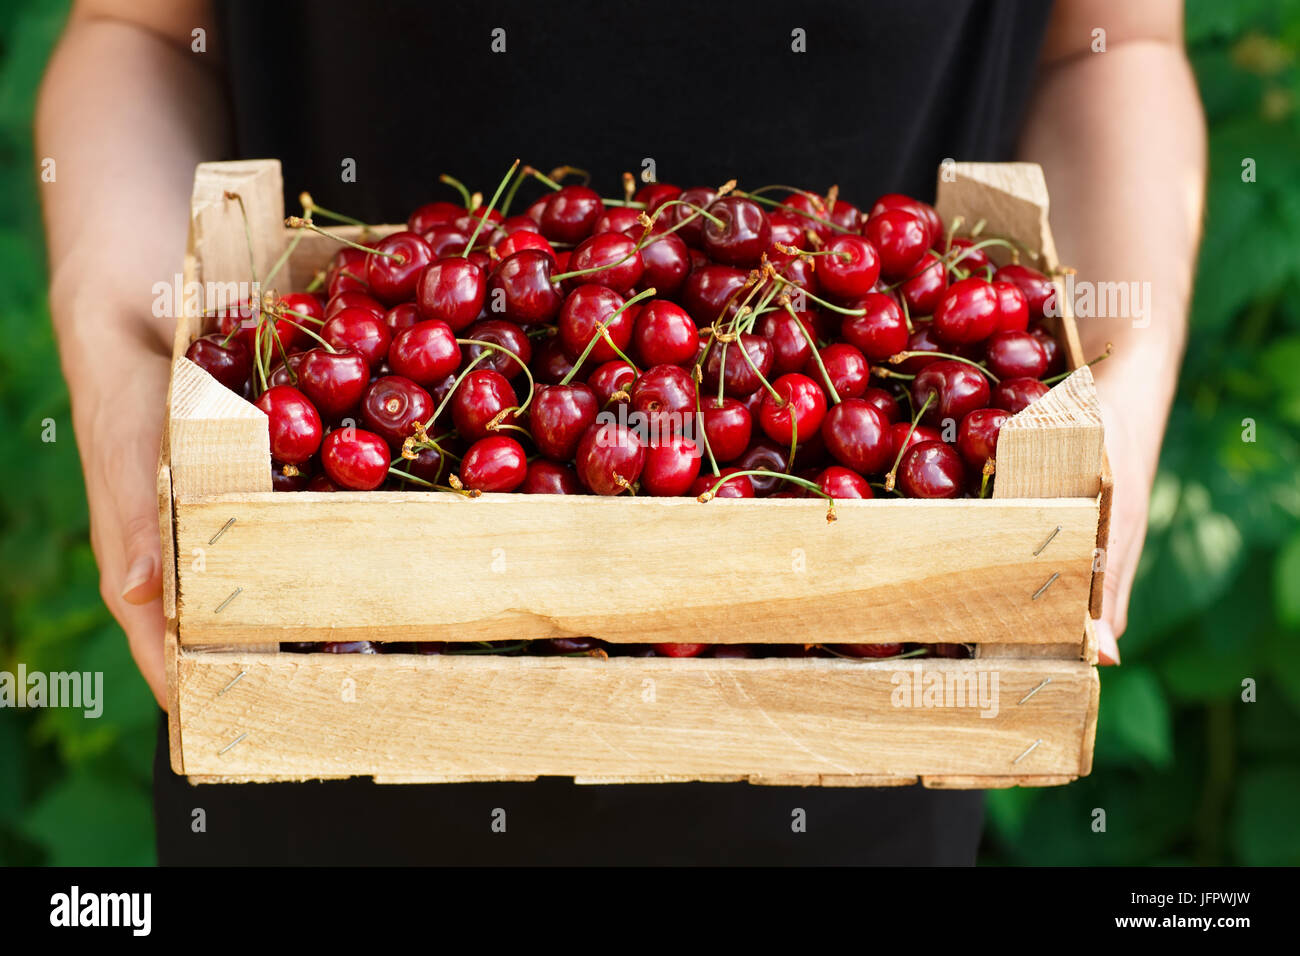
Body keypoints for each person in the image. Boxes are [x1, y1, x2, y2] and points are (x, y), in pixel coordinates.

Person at [36, 0, 1205, 865]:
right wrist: (118, 346)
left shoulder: (819, 381)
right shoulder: (484, 367)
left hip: (859, 740)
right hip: (323, 745)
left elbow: (1111, 46)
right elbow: (138, 30)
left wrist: (1126, 364)